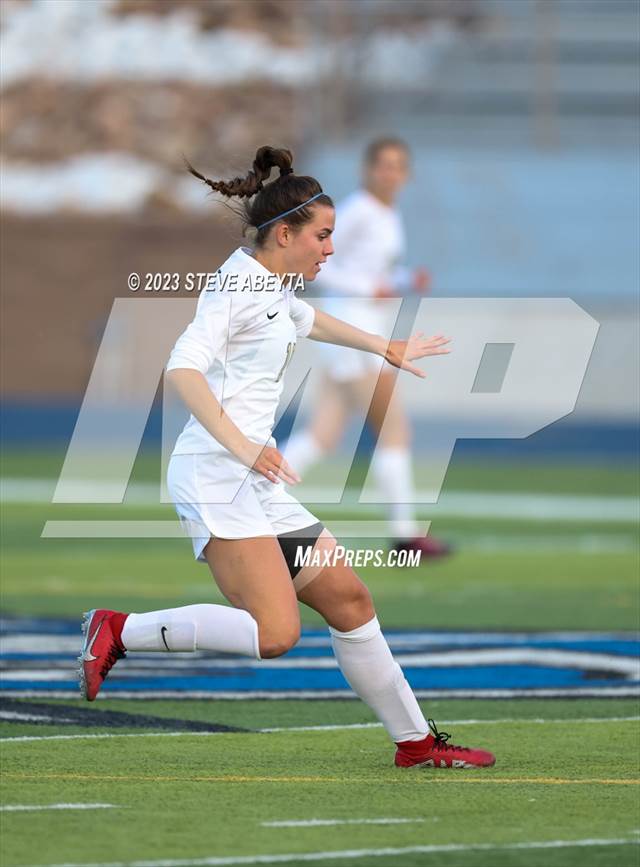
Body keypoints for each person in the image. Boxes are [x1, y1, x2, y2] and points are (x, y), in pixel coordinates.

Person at [78, 146, 494, 770]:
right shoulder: (238, 287)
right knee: (275, 636)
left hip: (253, 479)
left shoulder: (270, 283)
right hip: (217, 477)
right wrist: (244, 445)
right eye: (323, 236)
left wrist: (386, 346)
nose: (330, 249)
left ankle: (417, 743)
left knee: (350, 601)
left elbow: (306, 319)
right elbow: (182, 369)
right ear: (284, 233)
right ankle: (116, 628)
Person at [283, 137, 451, 560]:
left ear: (406, 174)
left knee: (323, 434)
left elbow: (372, 271)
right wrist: (369, 288)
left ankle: (257, 494)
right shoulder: (357, 211)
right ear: (368, 169)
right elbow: (323, 266)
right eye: (383, 165)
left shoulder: (386, 214)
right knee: (393, 428)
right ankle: (405, 535)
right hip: (353, 331)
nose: (390, 173)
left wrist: (406, 279)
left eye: (398, 166)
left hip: (359, 332)